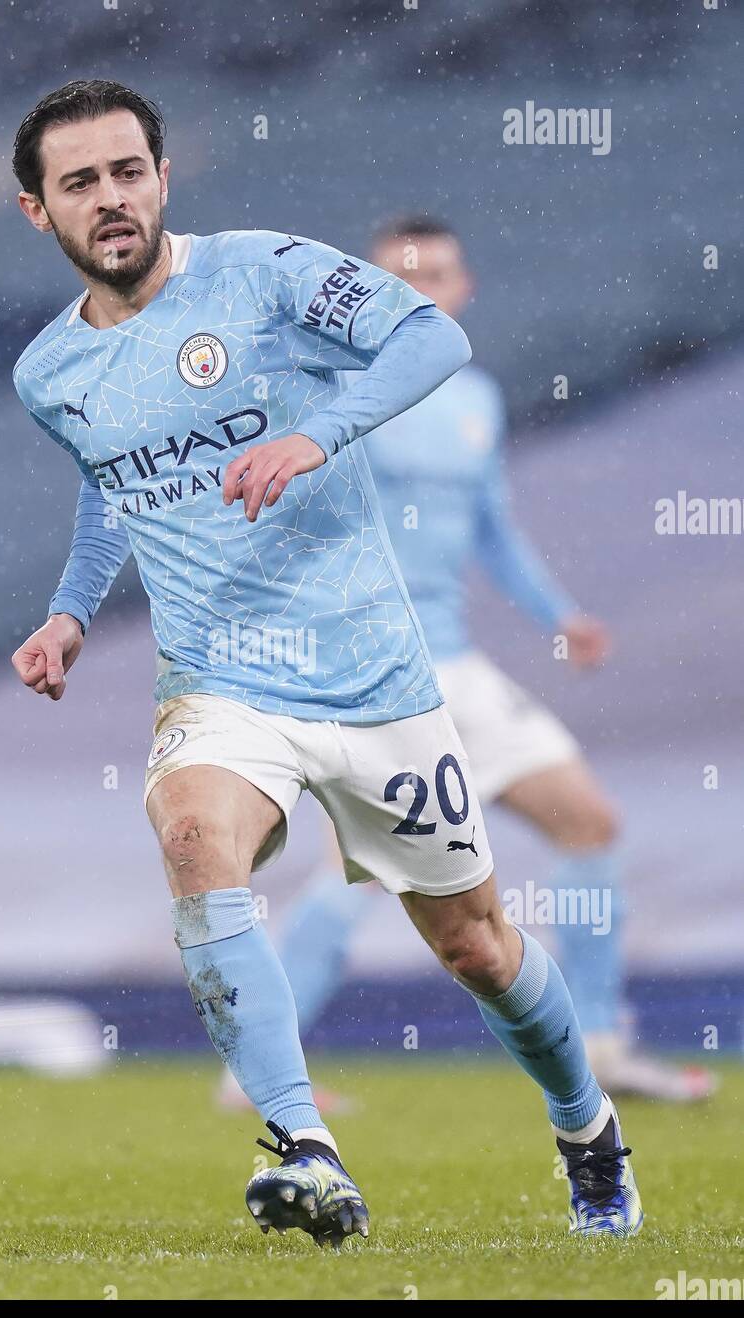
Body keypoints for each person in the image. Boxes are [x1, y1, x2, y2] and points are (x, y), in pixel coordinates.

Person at [8, 79, 642, 1247]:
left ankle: (587, 1128)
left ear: (162, 178)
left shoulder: (264, 270)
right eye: (80, 182)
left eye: (128, 171)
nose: (112, 198)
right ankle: (307, 1149)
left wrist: (315, 430)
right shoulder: (49, 375)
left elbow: (431, 334)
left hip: (373, 680)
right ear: (36, 211)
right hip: (218, 682)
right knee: (195, 838)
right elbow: (111, 491)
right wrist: (70, 614)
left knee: (477, 948)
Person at [219, 216, 713, 1110]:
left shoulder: (476, 399)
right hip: (377, 672)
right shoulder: (335, 392)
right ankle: (259, 1075)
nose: (419, 290)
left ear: (464, 288)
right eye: (398, 278)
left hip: (460, 669)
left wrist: (560, 615)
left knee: (588, 824)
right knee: (351, 868)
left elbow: (491, 525)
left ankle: (598, 1041)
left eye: (434, 275)